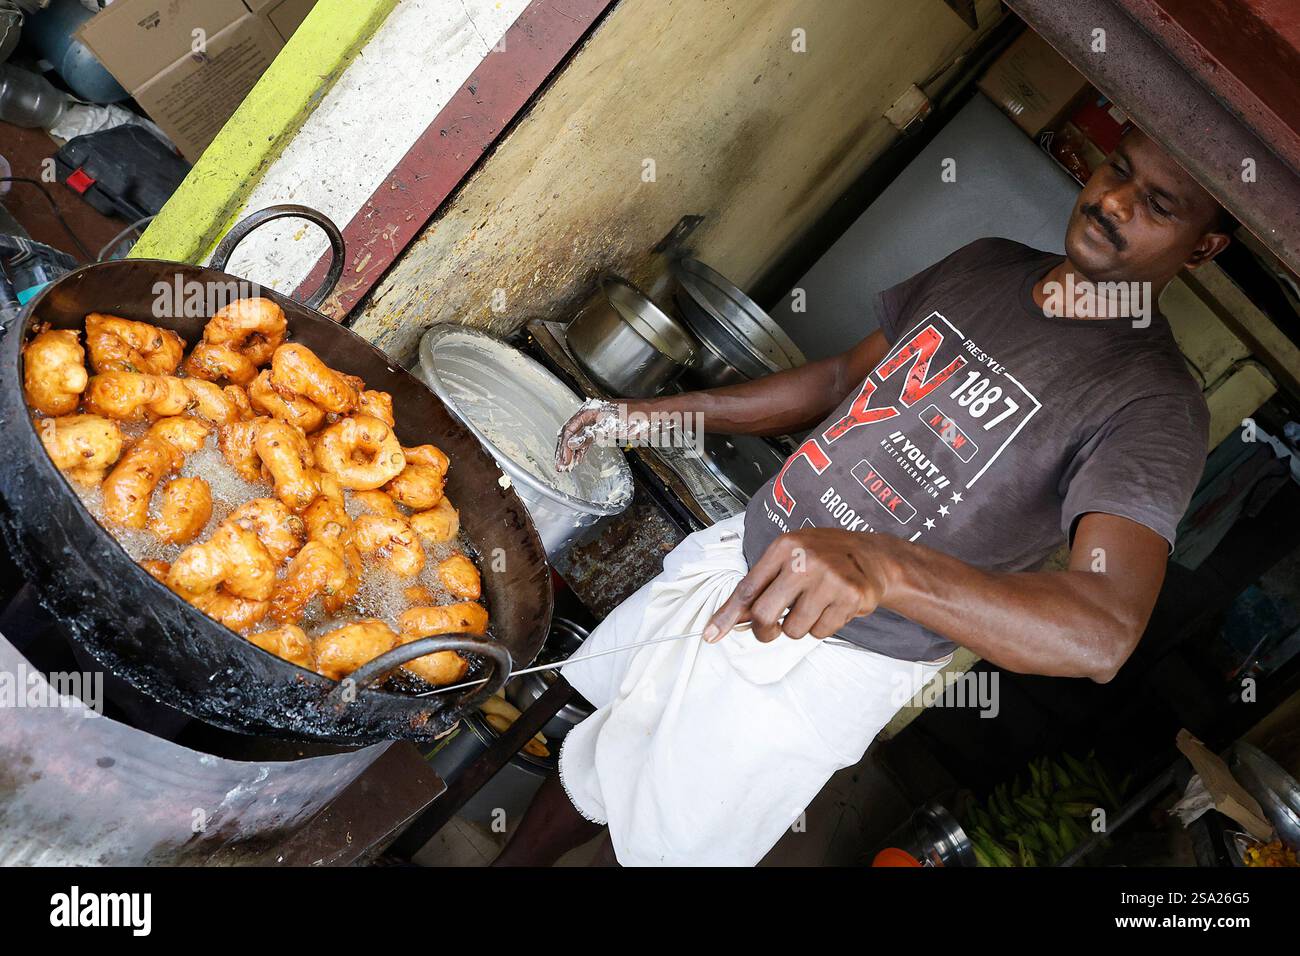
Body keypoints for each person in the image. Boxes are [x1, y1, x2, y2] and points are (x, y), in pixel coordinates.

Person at [493, 127, 1233, 866]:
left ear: (1203, 248)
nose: (1112, 202)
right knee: (605, 752)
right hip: (738, 558)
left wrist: (884, 570)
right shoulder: (988, 265)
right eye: (1117, 168)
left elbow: (1101, 630)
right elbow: (843, 380)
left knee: (674, 843)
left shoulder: (1152, 402)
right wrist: (662, 417)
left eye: (1158, 204)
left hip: (827, 653)